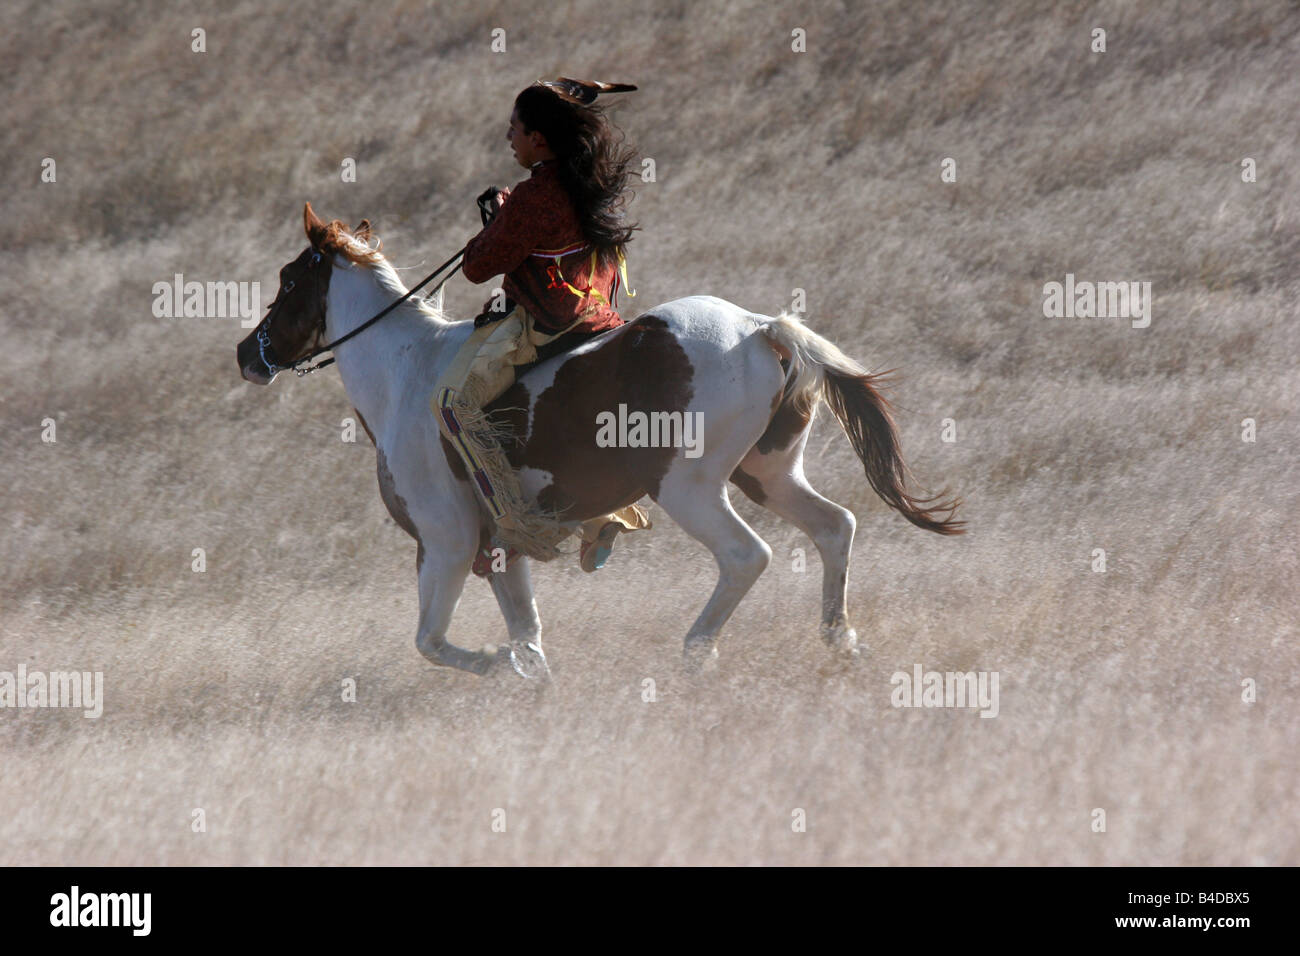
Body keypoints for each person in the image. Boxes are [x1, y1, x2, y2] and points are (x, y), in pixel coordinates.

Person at [434, 78, 651, 576]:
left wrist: (499, 218)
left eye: (515, 130)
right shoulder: (586, 176)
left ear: (539, 140)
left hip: (547, 323)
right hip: (600, 311)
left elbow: (477, 268)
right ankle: (599, 513)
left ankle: (517, 527)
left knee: (451, 405)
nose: (508, 138)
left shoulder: (535, 196)